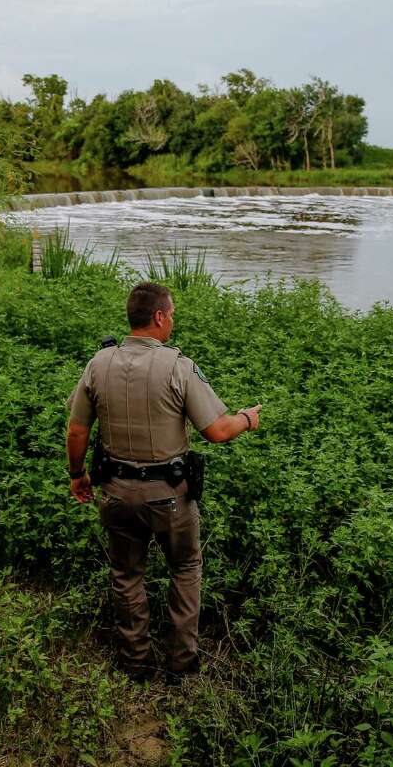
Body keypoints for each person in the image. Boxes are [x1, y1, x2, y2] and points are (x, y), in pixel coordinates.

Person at [66, 281, 262, 682]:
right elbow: (217, 431)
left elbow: (76, 431)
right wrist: (247, 418)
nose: (172, 320)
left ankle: (135, 661)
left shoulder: (97, 364)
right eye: (171, 314)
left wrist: (77, 475)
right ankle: (180, 663)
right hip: (169, 496)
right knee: (186, 567)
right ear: (159, 317)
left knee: (126, 574)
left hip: (115, 492)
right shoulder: (178, 366)